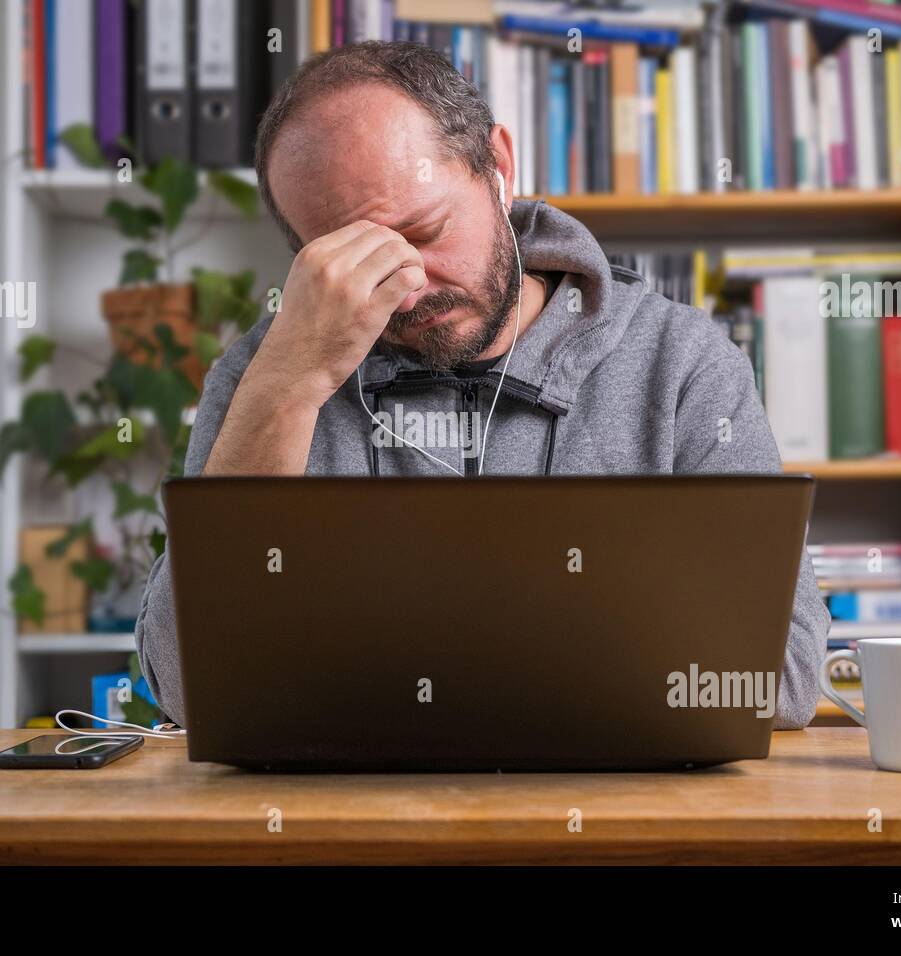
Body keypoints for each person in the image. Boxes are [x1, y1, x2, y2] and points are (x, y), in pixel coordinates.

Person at [135, 41, 830, 730]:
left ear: (497, 166)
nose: (407, 291)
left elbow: (782, 674)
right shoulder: (265, 376)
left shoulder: (681, 361)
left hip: (615, 829)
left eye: (425, 230)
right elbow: (187, 690)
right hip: (348, 834)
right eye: (352, 260)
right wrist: (289, 389)